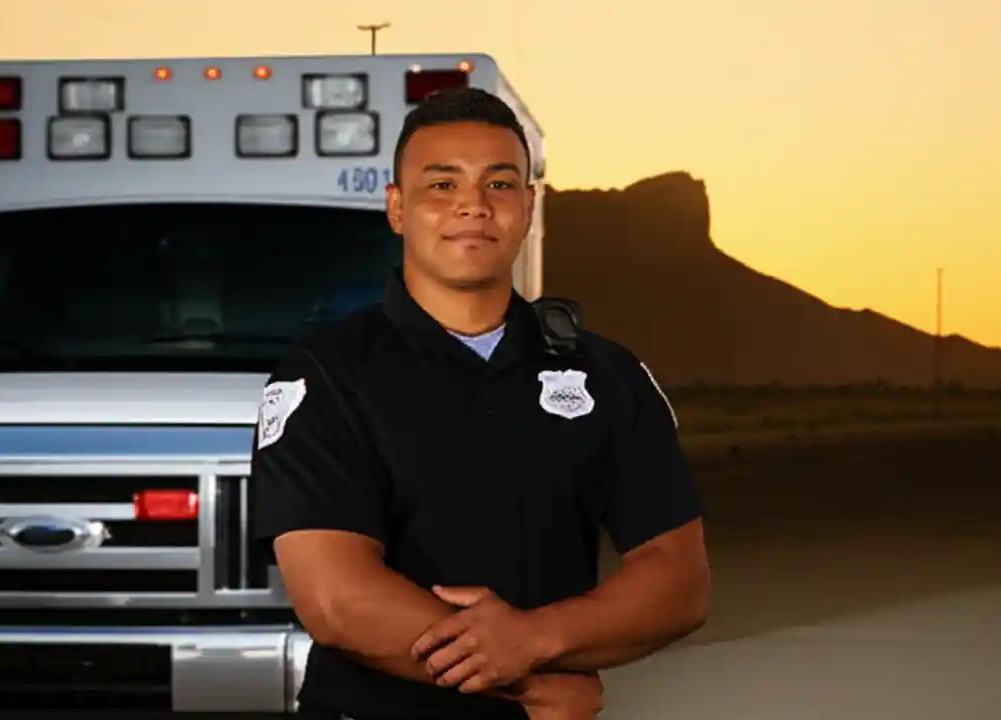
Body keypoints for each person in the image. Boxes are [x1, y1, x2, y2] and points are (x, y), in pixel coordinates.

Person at [250, 87, 711, 720]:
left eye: (499, 185)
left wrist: (536, 639)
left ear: (527, 205)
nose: (472, 204)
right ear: (396, 208)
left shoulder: (606, 374)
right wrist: (527, 686)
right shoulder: (326, 372)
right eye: (442, 185)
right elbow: (336, 599)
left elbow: (678, 580)